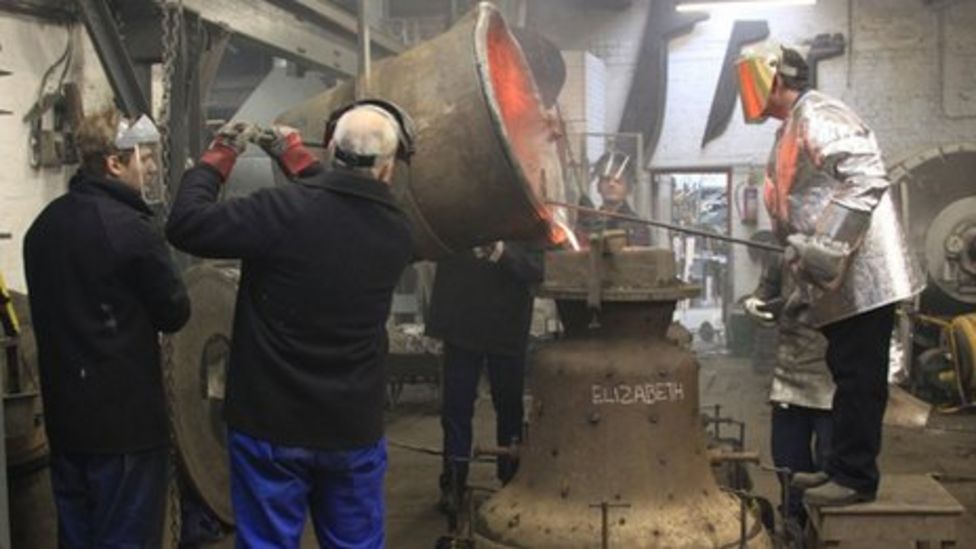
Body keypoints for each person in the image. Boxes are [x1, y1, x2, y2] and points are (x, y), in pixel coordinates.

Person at [166, 100, 416, 547]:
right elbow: (338, 202)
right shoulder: (397, 231)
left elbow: (185, 224)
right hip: (350, 429)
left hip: (270, 426)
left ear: (331, 150)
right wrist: (295, 159)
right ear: (387, 169)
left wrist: (219, 155)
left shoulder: (279, 212)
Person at [736, 43, 924, 506]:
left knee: (860, 381)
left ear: (774, 77)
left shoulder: (818, 112)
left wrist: (827, 245)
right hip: (842, 286)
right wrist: (795, 287)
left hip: (865, 280)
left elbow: (866, 175)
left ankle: (856, 478)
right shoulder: (789, 130)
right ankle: (842, 469)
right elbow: (801, 220)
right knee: (847, 376)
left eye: (749, 79)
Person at [23, 106, 190, 547]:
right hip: (125, 428)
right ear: (115, 163)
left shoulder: (42, 228)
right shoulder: (132, 231)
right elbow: (175, 312)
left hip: (66, 422)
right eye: (144, 156)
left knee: (77, 536)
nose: (151, 165)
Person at [426, 239, 544, 517]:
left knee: (509, 407)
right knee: (456, 408)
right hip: (461, 326)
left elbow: (538, 268)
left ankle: (510, 478)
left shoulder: (527, 221)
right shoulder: (462, 214)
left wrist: (501, 252)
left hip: (507, 327)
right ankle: (454, 483)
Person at [746, 259, 835, 528]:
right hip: (791, 372)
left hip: (835, 372)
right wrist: (754, 304)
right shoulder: (782, 247)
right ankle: (794, 522)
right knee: (788, 460)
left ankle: (825, 529)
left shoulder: (845, 244)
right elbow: (765, 291)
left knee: (831, 463)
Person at [576, 151, 651, 246]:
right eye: (606, 179)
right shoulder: (588, 223)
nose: (611, 184)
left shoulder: (638, 227)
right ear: (598, 186)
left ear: (628, 188)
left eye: (618, 181)